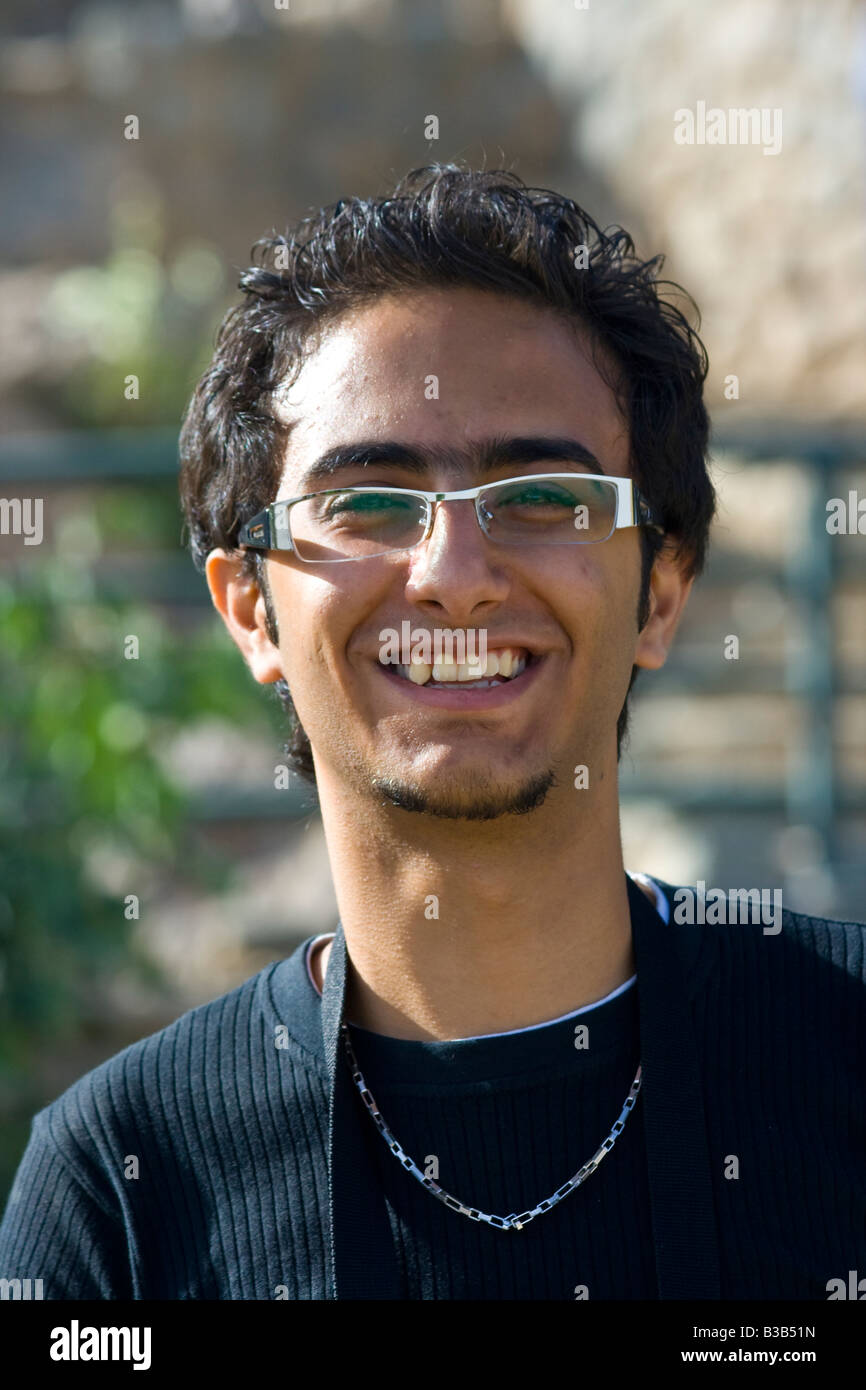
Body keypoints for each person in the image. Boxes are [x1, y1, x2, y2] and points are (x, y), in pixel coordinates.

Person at [1, 165, 862, 1301]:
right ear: (251, 608)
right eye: (367, 504)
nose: (453, 578)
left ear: (658, 591)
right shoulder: (121, 1186)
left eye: (542, 498)